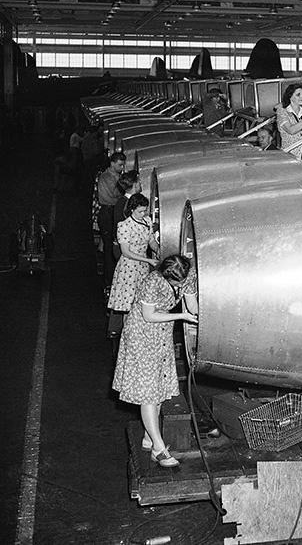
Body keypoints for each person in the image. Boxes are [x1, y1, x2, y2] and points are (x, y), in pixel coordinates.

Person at [112, 255, 199, 468]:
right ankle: (158, 449)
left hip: (160, 334)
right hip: (141, 334)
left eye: (182, 281)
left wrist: (203, 317)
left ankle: (148, 437)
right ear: (166, 276)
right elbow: (149, 315)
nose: (180, 285)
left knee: (158, 388)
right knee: (148, 392)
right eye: (176, 282)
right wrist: (180, 316)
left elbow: (192, 306)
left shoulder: (188, 276)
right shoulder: (151, 282)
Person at [107, 194, 158, 346]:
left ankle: (139, 336)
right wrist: (148, 260)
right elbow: (126, 252)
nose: (144, 214)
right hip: (128, 268)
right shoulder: (124, 226)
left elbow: (151, 241)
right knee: (127, 305)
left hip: (142, 267)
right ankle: (127, 339)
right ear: (132, 210)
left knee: (141, 303)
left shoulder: (147, 221)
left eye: (145, 211)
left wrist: (158, 249)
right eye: (140, 211)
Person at [97, 152, 126, 289]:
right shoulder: (107, 177)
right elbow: (114, 195)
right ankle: (109, 280)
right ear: (112, 163)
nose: (122, 167)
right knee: (109, 248)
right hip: (108, 213)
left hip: (111, 212)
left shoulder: (116, 176)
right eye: (119, 165)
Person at [276, 83, 302, 159]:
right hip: (290, 157)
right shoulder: (282, 112)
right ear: (290, 97)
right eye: (298, 95)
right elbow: (291, 130)